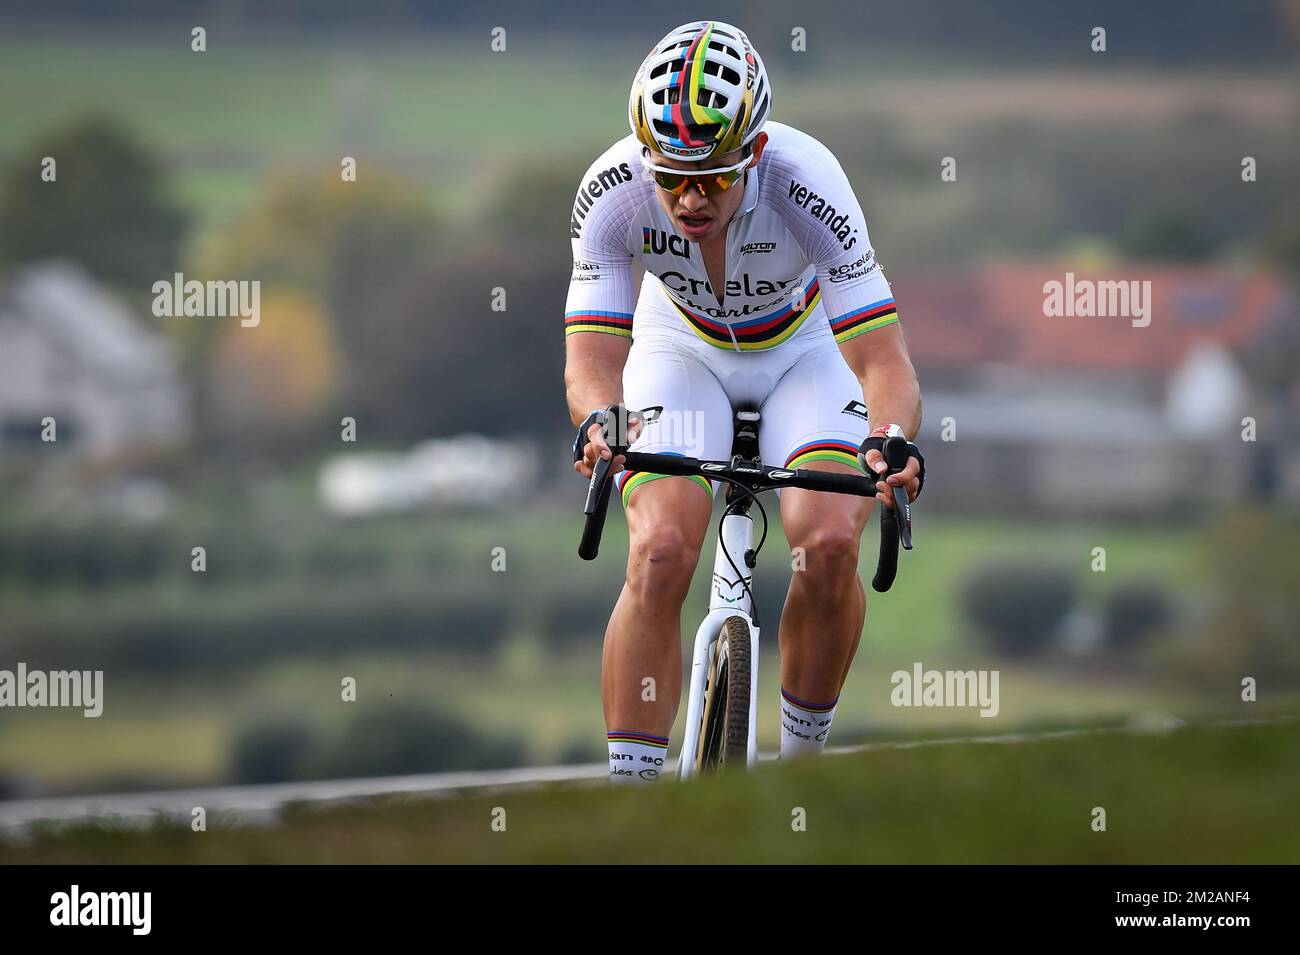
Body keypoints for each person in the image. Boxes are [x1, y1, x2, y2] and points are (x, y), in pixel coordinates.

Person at [564, 20, 924, 783]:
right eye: (671, 176)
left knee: (826, 543)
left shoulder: (808, 182)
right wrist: (604, 423)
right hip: (679, 350)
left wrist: (890, 439)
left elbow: (883, 360)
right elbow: (594, 358)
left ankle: (801, 775)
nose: (690, 198)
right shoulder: (614, 192)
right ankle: (630, 802)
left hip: (806, 352)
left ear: (754, 153)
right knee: (660, 548)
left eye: (715, 178)